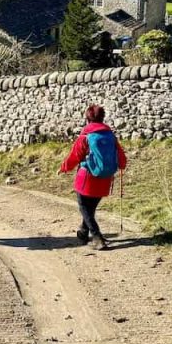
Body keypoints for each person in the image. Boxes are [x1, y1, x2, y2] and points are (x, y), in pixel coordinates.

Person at [59, 104, 127, 250]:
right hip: (105, 178)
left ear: (88, 119)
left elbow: (75, 156)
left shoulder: (85, 136)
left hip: (87, 177)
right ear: (102, 118)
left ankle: (97, 237)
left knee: (84, 207)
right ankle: (84, 232)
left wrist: (64, 168)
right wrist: (121, 165)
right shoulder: (110, 135)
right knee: (90, 208)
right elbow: (121, 156)